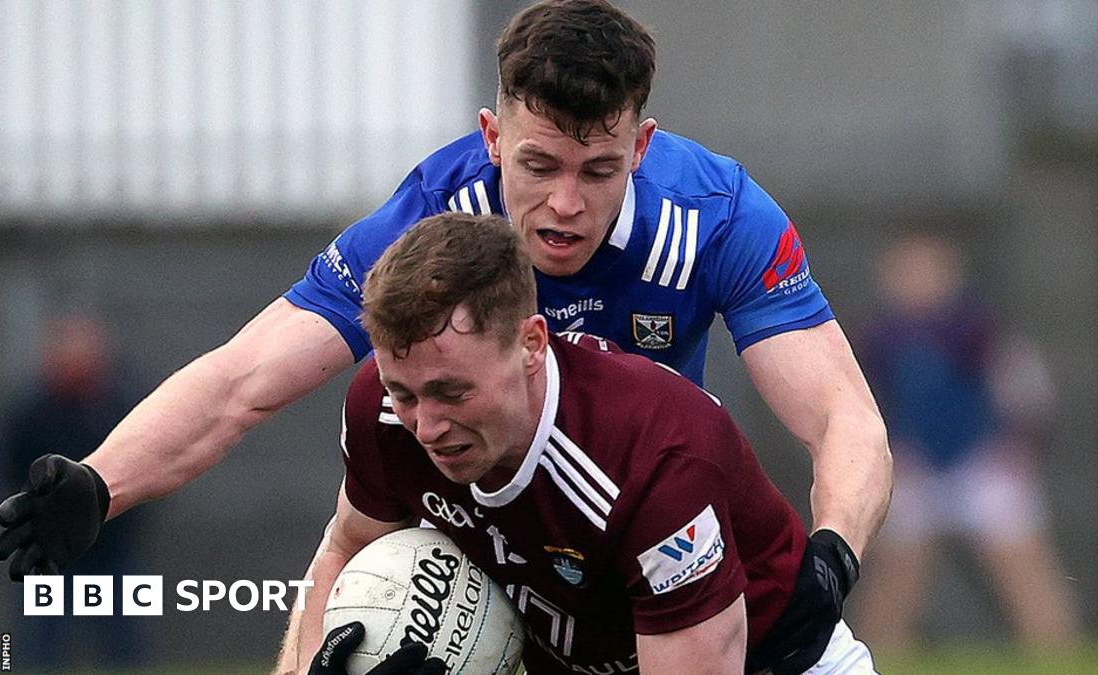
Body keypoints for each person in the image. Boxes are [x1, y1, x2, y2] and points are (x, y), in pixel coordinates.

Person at [0, 0, 890, 614]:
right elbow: (246, 379)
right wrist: (103, 480)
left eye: (600, 170)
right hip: (486, 565)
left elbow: (842, 413)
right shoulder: (432, 217)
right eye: (538, 166)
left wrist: (834, 549)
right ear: (491, 136)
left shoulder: (716, 218)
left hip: (649, 545)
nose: (567, 205)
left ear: (643, 145)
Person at [279, 212, 877, 674]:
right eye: (405, 392)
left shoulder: (655, 464)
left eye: (452, 392)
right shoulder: (382, 413)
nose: (427, 425)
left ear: (532, 345)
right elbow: (345, 548)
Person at [853, 233, 1079, 650]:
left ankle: (1058, 655)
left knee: (1024, 570)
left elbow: (1027, 390)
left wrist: (1019, 447)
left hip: (981, 462)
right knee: (896, 580)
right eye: (905, 272)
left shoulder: (977, 330)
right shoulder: (879, 338)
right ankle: (882, 656)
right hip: (914, 468)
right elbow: (864, 404)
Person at [0, 314, 149, 667]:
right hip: (50, 553)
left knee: (125, 649)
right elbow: (12, 468)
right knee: (39, 651)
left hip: (111, 549)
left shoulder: (120, 406)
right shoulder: (32, 412)